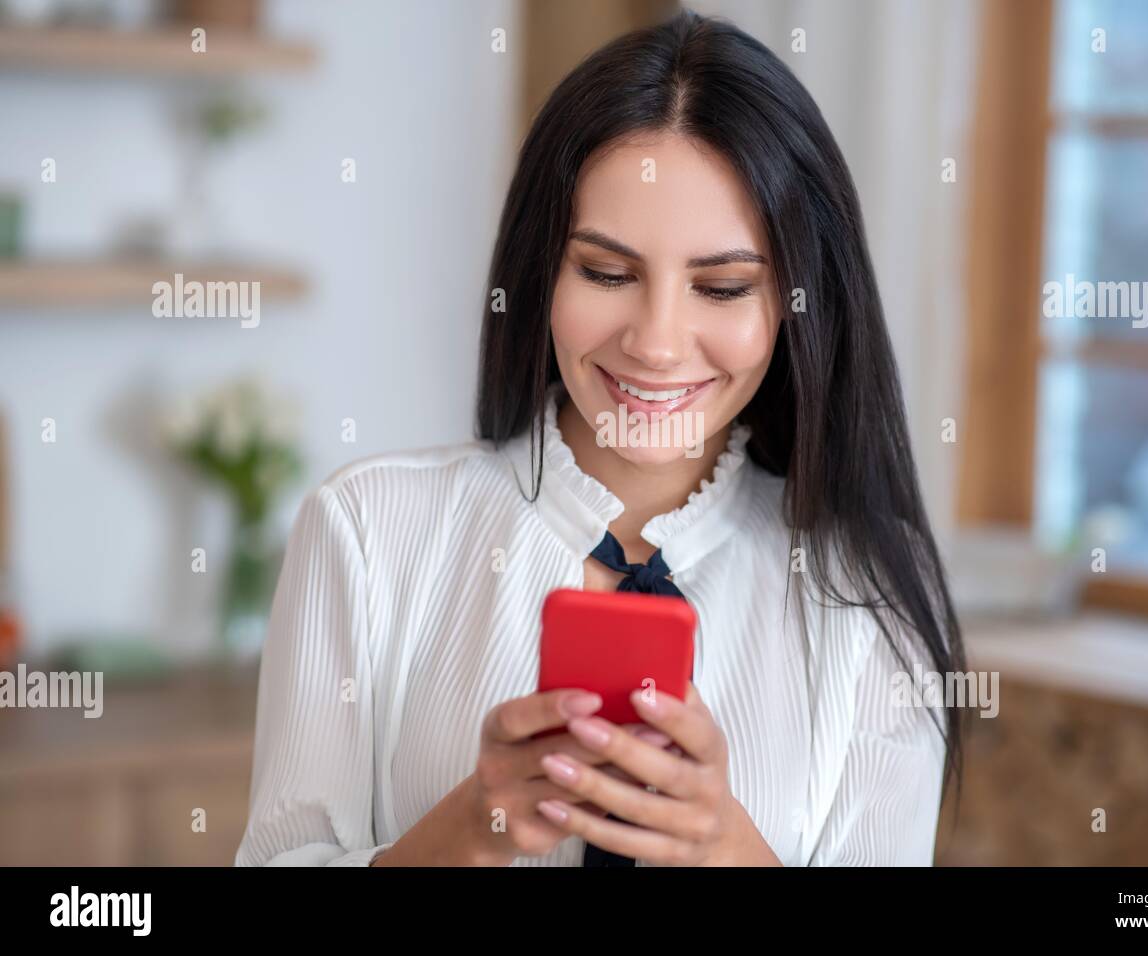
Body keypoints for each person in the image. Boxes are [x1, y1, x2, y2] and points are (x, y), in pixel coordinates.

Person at [235, 8, 964, 868]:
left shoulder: (868, 588)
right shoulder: (367, 531)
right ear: (540, 270)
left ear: (798, 305)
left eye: (723, 287)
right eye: (607, 273)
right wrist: (467, 830)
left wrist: (727, 852)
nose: (655, 342)